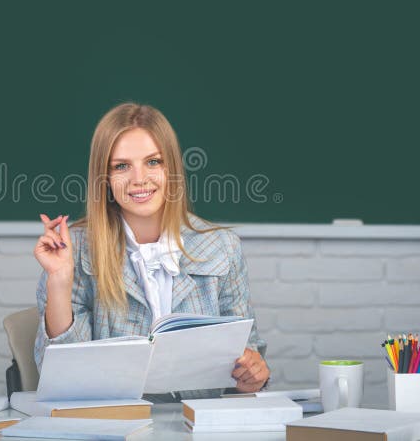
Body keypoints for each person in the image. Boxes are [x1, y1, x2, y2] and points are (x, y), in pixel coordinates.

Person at [32, 102, 269, 399]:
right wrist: (60, 280)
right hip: (115, 423)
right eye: (121, 166)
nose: (138, 179)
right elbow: (59, 375)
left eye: (153, 162)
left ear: (172, 168)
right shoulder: (76, 249)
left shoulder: (223, 247)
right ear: (104, 179)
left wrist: (252, 374)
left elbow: (248, 362)